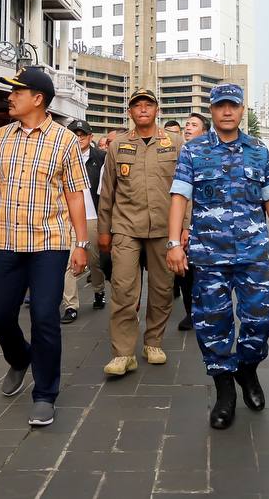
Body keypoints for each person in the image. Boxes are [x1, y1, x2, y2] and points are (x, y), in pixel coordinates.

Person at [0, 66, 88, 428]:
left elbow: (75, 193)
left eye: (17, 92)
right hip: (5, 241)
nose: (10, 97)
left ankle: (45, 393)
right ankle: (20, 358)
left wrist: (80, 243)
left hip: (49, 243)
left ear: (38, 99)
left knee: (44, 317)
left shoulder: (64, 140)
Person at [166, 83, 269, 430]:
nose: (227, 112)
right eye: (220, 106)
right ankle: (224, 390)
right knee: (212, 324)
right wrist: (173, 243)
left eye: (233, 106)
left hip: (252, 253)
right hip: (208, 255)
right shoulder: (193, 152)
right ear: (212, 110)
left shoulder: (258, 151)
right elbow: (179, 197)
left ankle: (247, 369)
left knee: (260, 320)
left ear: (240, 108)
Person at [98, 88, 182, 377]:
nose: (143, 109)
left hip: (163, 229)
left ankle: (153, 342)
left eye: (149, 105)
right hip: (125, 228)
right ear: (130, 112)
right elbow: (107, 192)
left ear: (157, 110)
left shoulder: (176, 143)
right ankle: (123, 353)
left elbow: (186, 191)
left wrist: (184, 229)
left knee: (162, 289)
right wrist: (103, 232)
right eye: (137, 106)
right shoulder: (117, 145)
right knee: (122, 290)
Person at [61, 119, 108, 321]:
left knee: (95, 262)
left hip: (93, 217)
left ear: (90, 137)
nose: (79, 139)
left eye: (83, 135)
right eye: (75, 135)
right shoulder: (61, 156)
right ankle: (71, 305)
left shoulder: (102, 157)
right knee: (69, 263)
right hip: (67, 218)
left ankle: (99, 290)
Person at [174, 111, 209, 331]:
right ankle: (191, 312)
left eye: (193, 125)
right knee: (185, 272)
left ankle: (206, 310)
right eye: (186, 124)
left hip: (205, 225)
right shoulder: (180, 153)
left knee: (204, 271)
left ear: (204, 132)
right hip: (183, 224)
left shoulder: (209, 156)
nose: (187, 128)